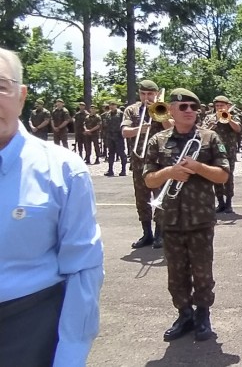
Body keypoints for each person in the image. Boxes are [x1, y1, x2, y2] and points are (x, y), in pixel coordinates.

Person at [0, 47, 104, 366]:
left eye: (1, 86)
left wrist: (70, 357)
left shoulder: (63, 170)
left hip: (26, 327)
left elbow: (83, 267)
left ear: (21, 96)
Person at [143, 88, 230, 342]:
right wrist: (169, 172)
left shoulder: (209, 138)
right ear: (171, 110)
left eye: (193, 107)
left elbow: (223, 175)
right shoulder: (157, 140)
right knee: (176, 275)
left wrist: (198, 167)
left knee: (203, 274)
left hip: (200, 219)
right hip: (170, 219)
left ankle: (203, 315)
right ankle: (184, 314)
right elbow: (148, 180)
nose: (189, 111)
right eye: (183, 107)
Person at [121, 80, 172, 248]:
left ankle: (160, 234)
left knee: (160, 197)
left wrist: (159, 111)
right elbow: (125, 132)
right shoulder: (132, 110)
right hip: (139, 162)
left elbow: (170, 128)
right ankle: (147, 233)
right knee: (141, 199)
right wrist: (139, 129)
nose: (146, 97)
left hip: (159, 162)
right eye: (143, 94)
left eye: (150, 94)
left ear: (156, 94)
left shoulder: (162, 108)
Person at [203, 95, 241, 214]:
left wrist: (228, 119)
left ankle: (229, 203)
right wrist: (210, 126)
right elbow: (202, 132)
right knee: (216, 176)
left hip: (229, 151)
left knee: (228, 177)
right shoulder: (210, 117)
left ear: (227, 106)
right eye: (217, 106)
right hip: (214, 151)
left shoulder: (233, 116)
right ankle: (220, 202)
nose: (219, 108)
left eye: (222, 105)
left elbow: (238, 129)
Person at [104, 98, 127, 177]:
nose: (111, 106)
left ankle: (123, 170)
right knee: (111, 153)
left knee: (121, 153)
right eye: (110, 105)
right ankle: (110, 170)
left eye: (113, 105)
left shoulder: (120, 114)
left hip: (118, 136)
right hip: (110, 136)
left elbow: (124, 123)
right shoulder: (107, 114)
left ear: (116, 106)